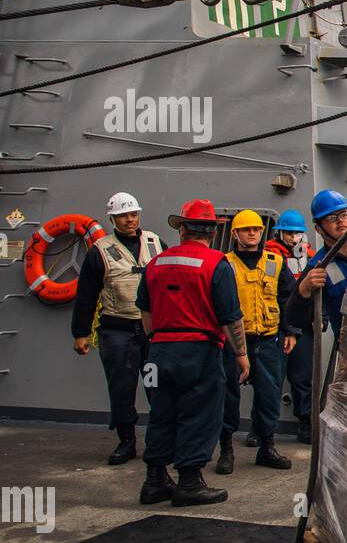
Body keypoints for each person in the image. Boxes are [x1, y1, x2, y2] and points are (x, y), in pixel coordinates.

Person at [136, 199, 247, 507]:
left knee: (161, 413)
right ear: (212, 232)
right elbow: (230, 317)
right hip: (199, 351)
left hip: (158, 351)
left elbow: (145, 313)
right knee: (199, 414)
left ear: (182, 228)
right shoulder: (216, 264)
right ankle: (189, 483)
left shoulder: (155, 263)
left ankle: (154, 481)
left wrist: (158, 342)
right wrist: (241, 354)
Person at [71, 192, 162, 465]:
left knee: (156, 385)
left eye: (133, 214)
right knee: (121, 388)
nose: (129, 219)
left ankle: (159, 439)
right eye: (123, 215)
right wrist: (80, 333)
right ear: (112, 218)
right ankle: (127, 441)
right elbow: (86, 294)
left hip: (151, 332)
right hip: (117, 331)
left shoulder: (156, 243)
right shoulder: (99, 250)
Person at [216, 210, 297, 475]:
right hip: (234, 343)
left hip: (268, 339)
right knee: (228, 396)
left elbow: (287, 298)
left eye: (256, 229)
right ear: (235, 233)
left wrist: (290, 331)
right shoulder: (224, 264)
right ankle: (226, 449)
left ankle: (267, 446)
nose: (252, 233)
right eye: (246, 229)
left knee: (269, 395)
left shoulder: (275, 262)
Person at [267, 210, 313, 444]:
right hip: (275, 325)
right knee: (271, 379)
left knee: (302, 378)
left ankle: (305, 422)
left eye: (297, 234)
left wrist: (320, 316)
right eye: (290, 233)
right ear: (280, 233)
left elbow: (319, 289)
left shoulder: (311, 256)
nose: (294, 238)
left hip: (303, 325)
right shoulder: (269, 256)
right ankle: (263, 429)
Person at [287, 189, 347, 343]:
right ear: (318, 228)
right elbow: (294, 317)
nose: (340, 221)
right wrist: (304, 289)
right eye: (332, 217)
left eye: (344, 214)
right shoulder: (318, 266)